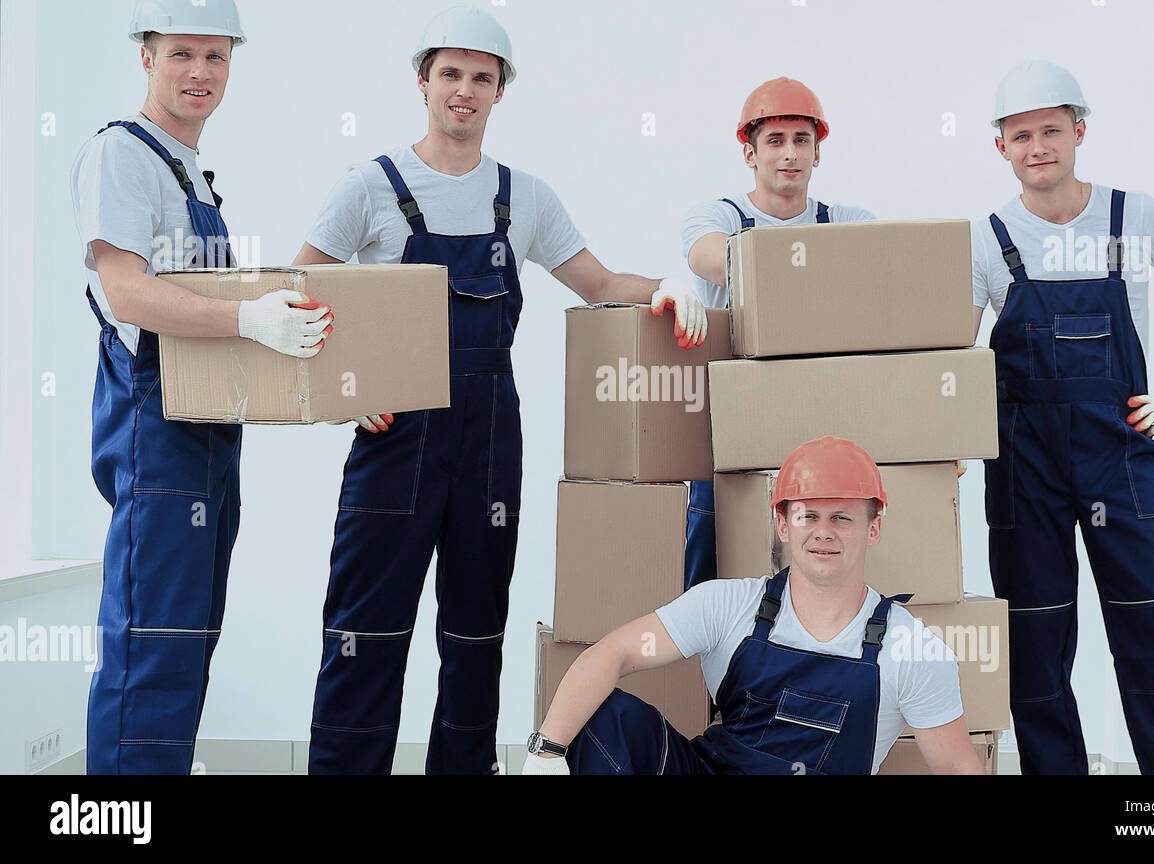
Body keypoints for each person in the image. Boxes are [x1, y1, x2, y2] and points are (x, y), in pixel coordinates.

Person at [293, 5, 708, 774]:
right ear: (423, 81)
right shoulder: (370, 187)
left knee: (475, 638)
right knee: (366, 634)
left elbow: (600, 282)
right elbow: (299, 292)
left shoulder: (524, 198)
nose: (465, 90)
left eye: (482, 77)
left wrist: (671, 285)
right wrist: (340, 395)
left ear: (499, 93)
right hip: (393, 448)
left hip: (487, 449)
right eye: (450, 73)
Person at [71, 0, 333, 774]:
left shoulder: (188, 171)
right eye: (181, 53)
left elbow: (205, 314)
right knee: (151, 642)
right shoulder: (121, 154)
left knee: (187, 639)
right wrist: (251, 321)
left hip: (209, 434)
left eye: (216, 57)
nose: (200, 73)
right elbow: (128, 293)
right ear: (145, 55)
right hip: (157, 433)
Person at [972, 61, 1154, 774]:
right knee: (1035, 644)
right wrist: (951, 439)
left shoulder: (1135, 215)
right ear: (1001, 146)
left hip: (1125, 454)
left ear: (1079, 131)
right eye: (1020, 135)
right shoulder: (986, 237)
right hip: (1024, 463)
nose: (1037, 147)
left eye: (1051, 130)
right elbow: (952, 358)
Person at [523, 436, 984, 775]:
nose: (824, 532)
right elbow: (612, 654)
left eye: (842, 517)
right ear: (783, 525)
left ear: (873, 529)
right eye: (808, 516)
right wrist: (544, 753)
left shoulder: (910, 648)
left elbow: (958, 770)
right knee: (605, 715)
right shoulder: (728, 606)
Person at [679, 77, 877, 590]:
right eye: (775, 141)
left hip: (826, 422)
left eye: (802, 141)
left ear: (817, 152)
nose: (790, 154)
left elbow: (887, 294)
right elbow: (711, 257)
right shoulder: (718, 216)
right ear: (749, 152)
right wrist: (824, 269)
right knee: (713, 574)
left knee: (819, 577)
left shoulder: (852, 220)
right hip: (732, 433)